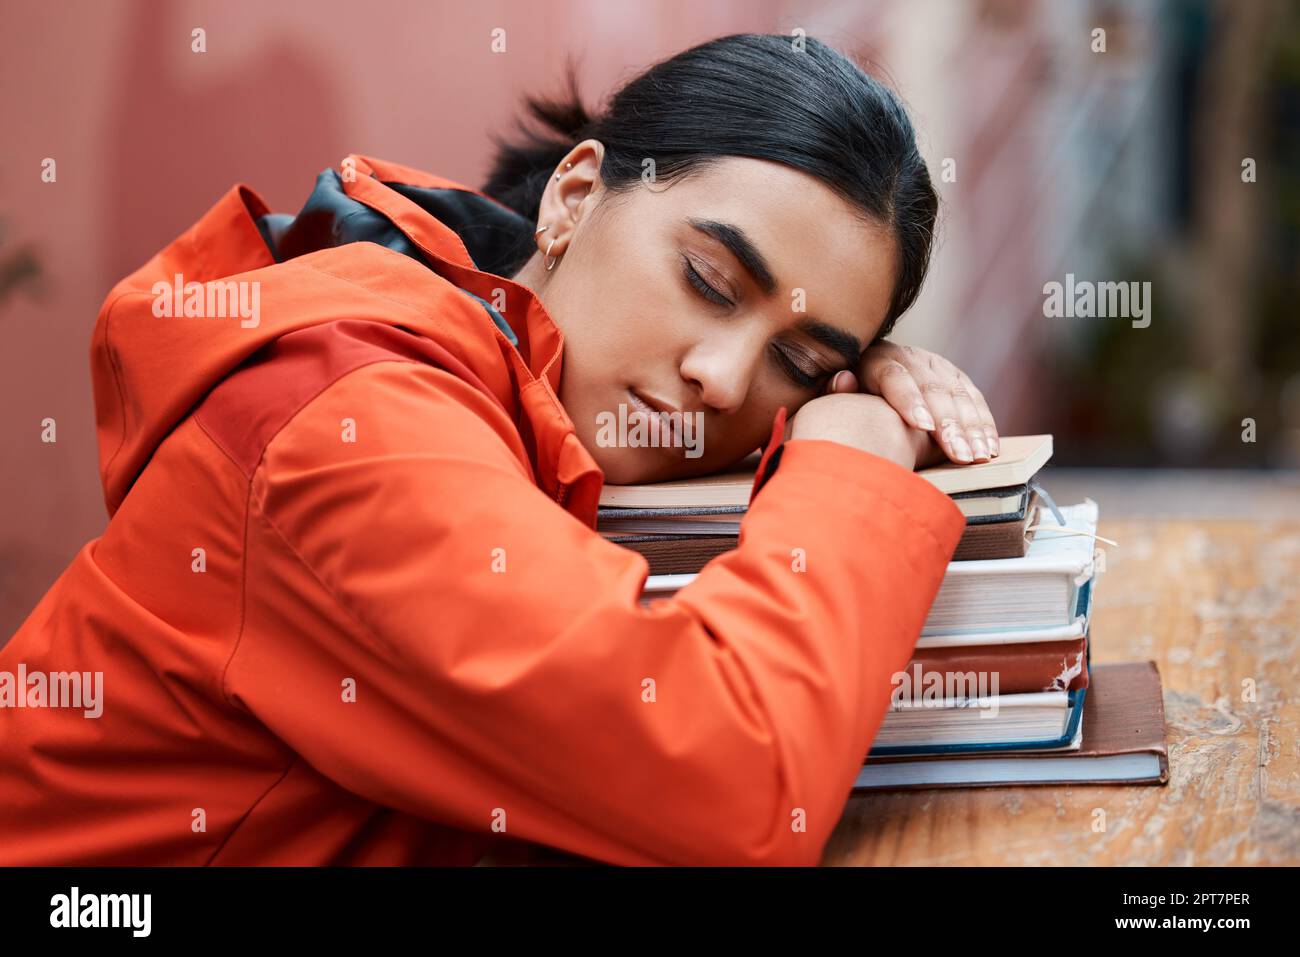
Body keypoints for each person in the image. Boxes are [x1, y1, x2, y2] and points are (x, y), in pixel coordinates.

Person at [0, 33, 996, 865]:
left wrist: (847, 389)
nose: (726, 382)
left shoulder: (492, 341)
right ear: (571, 197)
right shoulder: (349, 423)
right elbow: (733, 790)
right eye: (707, 279)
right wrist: (854, 463)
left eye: (793, 356)